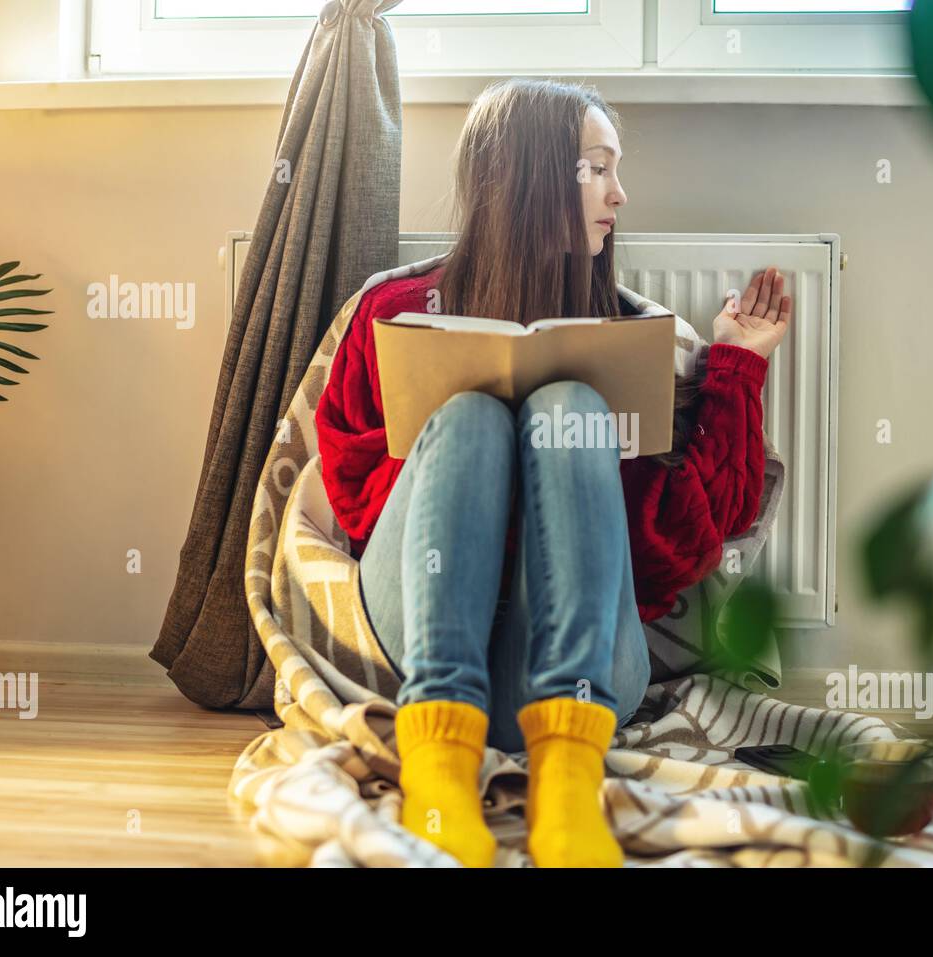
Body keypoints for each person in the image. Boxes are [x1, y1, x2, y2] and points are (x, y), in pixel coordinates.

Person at [315, 77, 790, 868]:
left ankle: (569, 785)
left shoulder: (630, 332)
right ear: (531, 178)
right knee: (469, 416)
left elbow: (696, 540)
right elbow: (360, 508)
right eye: (598, 169)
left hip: (588, 670)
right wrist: (475, 453)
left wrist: (736, 364)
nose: (620, 193)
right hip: (432, 645)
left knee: (569, 402)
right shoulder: (391, 311)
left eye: (616, 169)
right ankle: (440, 765)